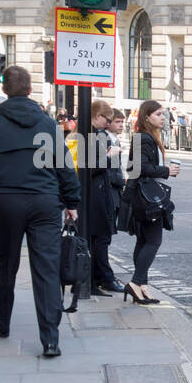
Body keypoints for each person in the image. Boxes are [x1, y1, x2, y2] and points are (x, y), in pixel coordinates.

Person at [0, 65, 79, 358]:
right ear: (31, 89)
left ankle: (3, 323)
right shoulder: (46, 124)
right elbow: (64, 165)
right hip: (45, 202)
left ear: (4, 90)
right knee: (45, 268)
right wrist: (72, 203)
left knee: (5, 263)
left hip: (7, 202)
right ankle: (50, 340)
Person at [119, 100, 179, 304]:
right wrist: (166, 170)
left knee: (144, 241)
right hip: (146, 199)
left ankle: (142, 285)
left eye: (163, 114)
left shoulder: (144, 138)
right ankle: (136, 282)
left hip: (141, 196)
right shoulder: (144, 139)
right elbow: (141, 168)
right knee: (153, 241)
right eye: (158, 114)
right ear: (147, 117)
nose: (163, 118)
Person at [84, 99, 125, 297]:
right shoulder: (95, 136)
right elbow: (90, 168)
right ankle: (101, 279)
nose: (108, 123)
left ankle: (96, 280)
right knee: (100, 239)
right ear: (98, 116)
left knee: (97, 239)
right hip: (97, 195)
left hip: (95, 194)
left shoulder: (90, 133)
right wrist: (109, 156)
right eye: (107, 119)